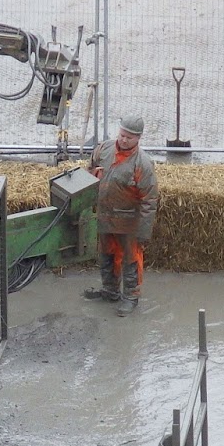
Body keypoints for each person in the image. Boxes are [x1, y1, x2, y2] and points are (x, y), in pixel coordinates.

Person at [82, 116, 158, 316]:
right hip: (105, 216)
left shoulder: (143, 163)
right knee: (106, 254)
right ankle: (110, 291)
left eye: (130, 138)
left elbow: (149, 200)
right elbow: (89, 170)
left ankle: (131, 297)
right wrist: (92, 174)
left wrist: (144, 231)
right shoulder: (103, 149)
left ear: (138, 139)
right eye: (122, 135)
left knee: (131, 259)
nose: (124, 140)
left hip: (129, 221)